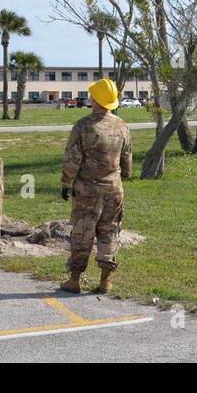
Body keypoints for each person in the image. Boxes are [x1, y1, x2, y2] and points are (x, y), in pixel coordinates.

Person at [59, 78, 132, 294]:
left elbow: (73, 158)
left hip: (87, 191)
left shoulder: (83, 126)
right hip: (114, 189)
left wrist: (66, 182)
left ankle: (74, 279)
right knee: (109, 231)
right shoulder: (122, 126)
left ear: (94, 99)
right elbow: (126, 159)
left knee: (83, 232)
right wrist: (124, 176)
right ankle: (105, 281)